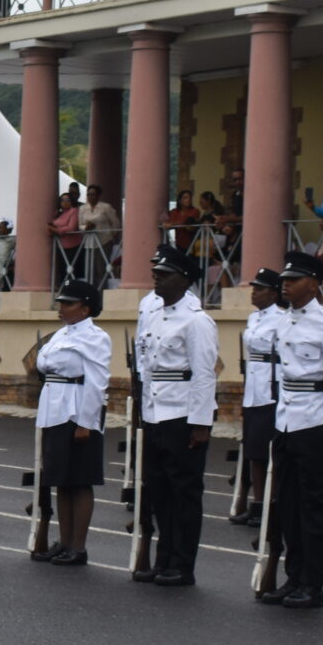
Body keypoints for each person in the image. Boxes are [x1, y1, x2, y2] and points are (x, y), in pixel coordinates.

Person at [254, 252, 323, 609]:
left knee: (314, 508)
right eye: (284, 279)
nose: (285, 284)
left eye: (293, 279)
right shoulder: (283, 323)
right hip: (286, 419)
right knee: (288, 506)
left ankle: (312, 584)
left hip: (316, 421)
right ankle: (292, 577)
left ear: (313, 283)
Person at [131, 245, 218, 587]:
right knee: (159, 490)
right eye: (156, 274)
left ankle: (182, 564)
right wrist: (143, 410)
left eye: (164, 275)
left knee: (183, 492)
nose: (157, 279)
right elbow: (147, 369)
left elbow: (203, 373)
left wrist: (200, 423)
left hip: (182, 413)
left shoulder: (197, 321)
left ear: (184, 280)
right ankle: (163, 558)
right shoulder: (153, 316)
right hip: (156, 412)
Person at [32, 277, 110, 567]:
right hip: (54, 410)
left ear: (86, 308)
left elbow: (97, 382)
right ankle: (63, 542)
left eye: (69, 303)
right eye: (61, 302)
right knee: (60, 481)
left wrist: (85, 422)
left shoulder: (95, 337)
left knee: (80, 481)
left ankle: (78, 546)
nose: (61, 307)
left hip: (77, 411)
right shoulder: (61, 335)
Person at [231, 270, 284, 527]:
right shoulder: (253, 318)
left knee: (267, 451)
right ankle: (257, 502)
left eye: (260, 289)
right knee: (253, 451)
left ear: (274, 293)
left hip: (271, 391)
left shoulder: (282, 319)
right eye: (254, 288)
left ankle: (271, 503)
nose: (254, 292)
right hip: (253, 390)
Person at [79, 185, 120, 286]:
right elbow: (80, 225)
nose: (90, 196)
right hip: (89, 242)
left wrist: (112, 235)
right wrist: (86, 228)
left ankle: (101, 294)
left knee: (101, 269)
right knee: (90, 270)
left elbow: (115, 223)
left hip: (104, 241)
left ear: (98, 196)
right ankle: (90, 293)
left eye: (93, 194)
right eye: (88, 194)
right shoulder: (83, 208)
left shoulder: (106, 207)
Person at [49, 194, 82, 283]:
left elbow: (71, 228)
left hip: (73, 246)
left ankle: (72, 290)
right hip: (61, 246)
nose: (65, 202)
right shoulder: (58, 213)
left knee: (71, 271)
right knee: (62, 271)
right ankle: (63, 289)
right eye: (62, 200)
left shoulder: (74, 211)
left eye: (67, 200)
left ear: (71, 201)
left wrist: (57, 230)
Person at [164, 189, 201, 254]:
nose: (188, 200)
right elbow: (169, 221)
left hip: (192, 242)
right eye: (185, 198)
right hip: (179, 242)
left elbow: (188, 221)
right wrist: (166, 223)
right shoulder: (174, 212)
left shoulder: (195, 210)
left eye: (190, 197)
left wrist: (173, 223)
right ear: (180, 200)